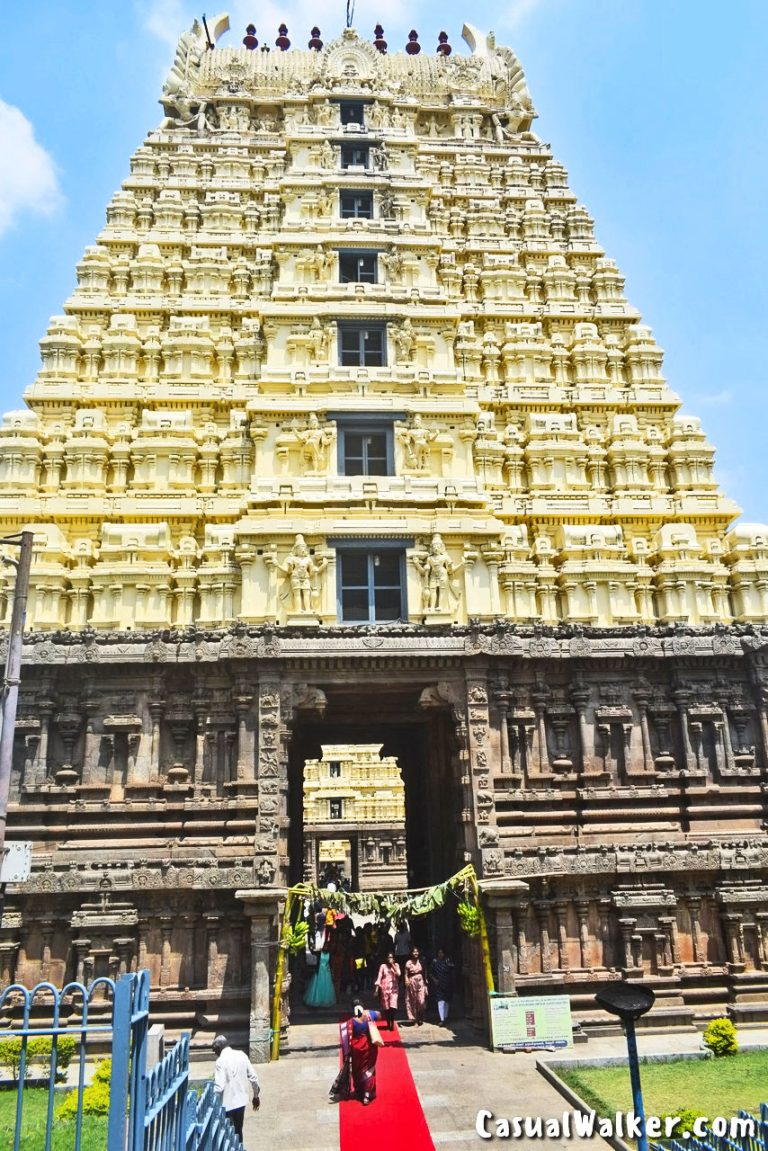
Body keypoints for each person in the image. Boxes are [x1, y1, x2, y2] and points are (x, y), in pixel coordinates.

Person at [330, 999, 383, 1106]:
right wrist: (368, 1012)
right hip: (370, 1047)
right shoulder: (369, 1015)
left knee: (358, 1071)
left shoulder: (351, 1022)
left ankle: (360, 1091)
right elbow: (380, 1015)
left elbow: (347, 1037)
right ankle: (367, 1095)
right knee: (369, 1069)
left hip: (357, 1049)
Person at [212, 1035, 260, 1143]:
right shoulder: (241, 1055)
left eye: (215, 1051)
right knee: (238, 1131)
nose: (215, 1054)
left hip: (227, 1105)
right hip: (241, 1101)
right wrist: (256, 1096)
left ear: (219, 1048)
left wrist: (212, 1102)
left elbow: (219, 1087)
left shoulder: (220, 1061)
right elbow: (254, 1078)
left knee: (228, 1135)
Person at [374, 951, 400, 1031]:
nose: (390, 959)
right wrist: (376, 990)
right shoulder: (383, 966)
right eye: (389, 957)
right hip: (384, 989)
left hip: (394, 989)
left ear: (393, 958)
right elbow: (379, 977)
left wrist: (393, 965)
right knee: (387, 1008)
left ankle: (392, 1022)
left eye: (391, 957)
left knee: (393, 1007)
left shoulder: (396, 965)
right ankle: (388, 1024)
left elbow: (399, 974)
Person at [430, 947, 455, 1025]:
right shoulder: (435, 961)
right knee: (440, 1001)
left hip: (447, 983)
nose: (441, 954)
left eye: (442, 952)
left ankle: (446, 1017)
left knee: (446, 1001)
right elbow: (430, 972)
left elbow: (452, 969)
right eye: (439, 953)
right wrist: (434, 980)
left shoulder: (447, 961)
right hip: (438, 984)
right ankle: (442, 1019)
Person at [405, 946, 428, 1026]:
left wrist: (426, 983)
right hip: (412, 982)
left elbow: (425, 972)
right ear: (411, 953)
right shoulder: (408, 962)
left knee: (421, 1001)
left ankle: (421, 1016)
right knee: (413, 1001)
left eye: (417, 951)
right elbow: (405, 974)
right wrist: (406, 980)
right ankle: (415, 1020)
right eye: (414, 952)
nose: (415, 953)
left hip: (420, 981)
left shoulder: (421, 961)